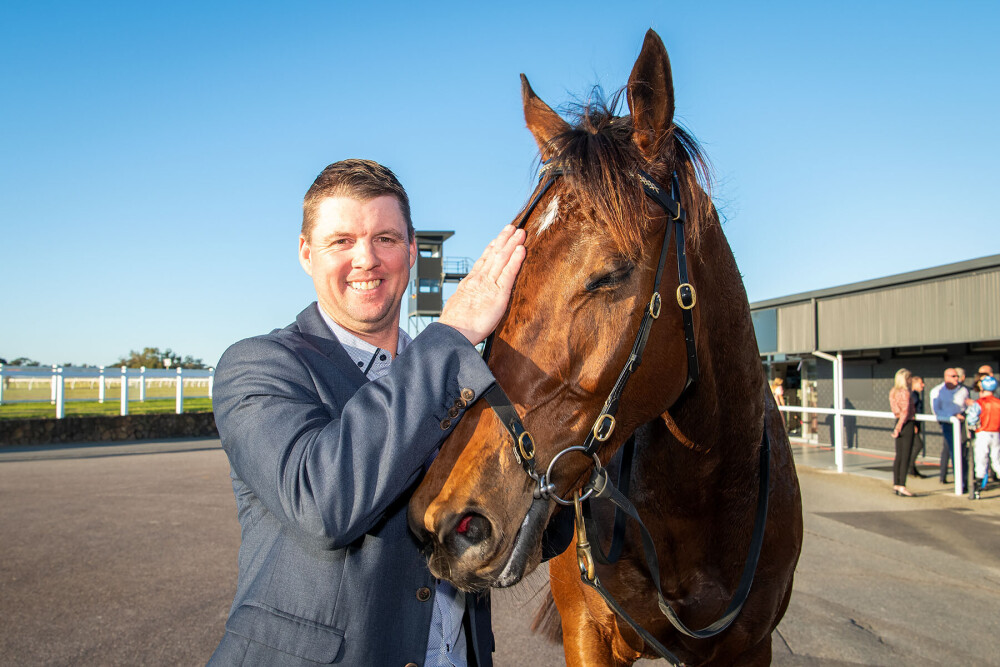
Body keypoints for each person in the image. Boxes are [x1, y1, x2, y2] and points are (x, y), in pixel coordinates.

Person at [208, 159, 528, 666]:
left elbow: (514, 521)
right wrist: (453, 336)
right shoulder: (257, 366)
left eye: (385, 238)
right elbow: (324, 505)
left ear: (411, 249)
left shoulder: (456, 377)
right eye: (341, 241)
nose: (366, 259)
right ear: (306, 253)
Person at [930, 368, 969, 485]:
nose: (956, 378)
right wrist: (952, 416)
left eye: (957, 376)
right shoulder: (937, 391)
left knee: (963, 452)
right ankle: (953, 479)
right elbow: (936, 410)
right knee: (951, 450)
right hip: (948, 424)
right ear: (946, 377)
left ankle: (964, 480)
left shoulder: (963, 390)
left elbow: (966, 406)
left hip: (962, 424)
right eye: (953, 376)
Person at [971, 375, 1000, 500]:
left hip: (982, 433)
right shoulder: (998, 402)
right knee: (996, 460)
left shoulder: (980, 402)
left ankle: (977, 490)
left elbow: (972, 419)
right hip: (996, 433)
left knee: (981, 460)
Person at [889, 368, 917, 497]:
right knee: (905, 455)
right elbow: (905, 412)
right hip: (906, 424)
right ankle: (902, 485)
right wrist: (899, 428)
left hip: (898, 422)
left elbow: (895, 410)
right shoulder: (905, 392)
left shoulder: (893, 391)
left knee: (899, 456)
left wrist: (897, 426)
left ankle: (896, 483)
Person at [907, 375, 926, 477]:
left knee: (914, 446)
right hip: (912, 425)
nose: (923, 385)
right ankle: (910, 467)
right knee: (918, 445)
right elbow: (910, 410)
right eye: (920, 383)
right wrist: (913, 424)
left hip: (916, 425)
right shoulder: (913, 395)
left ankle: (912, 469)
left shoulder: (915, 395)